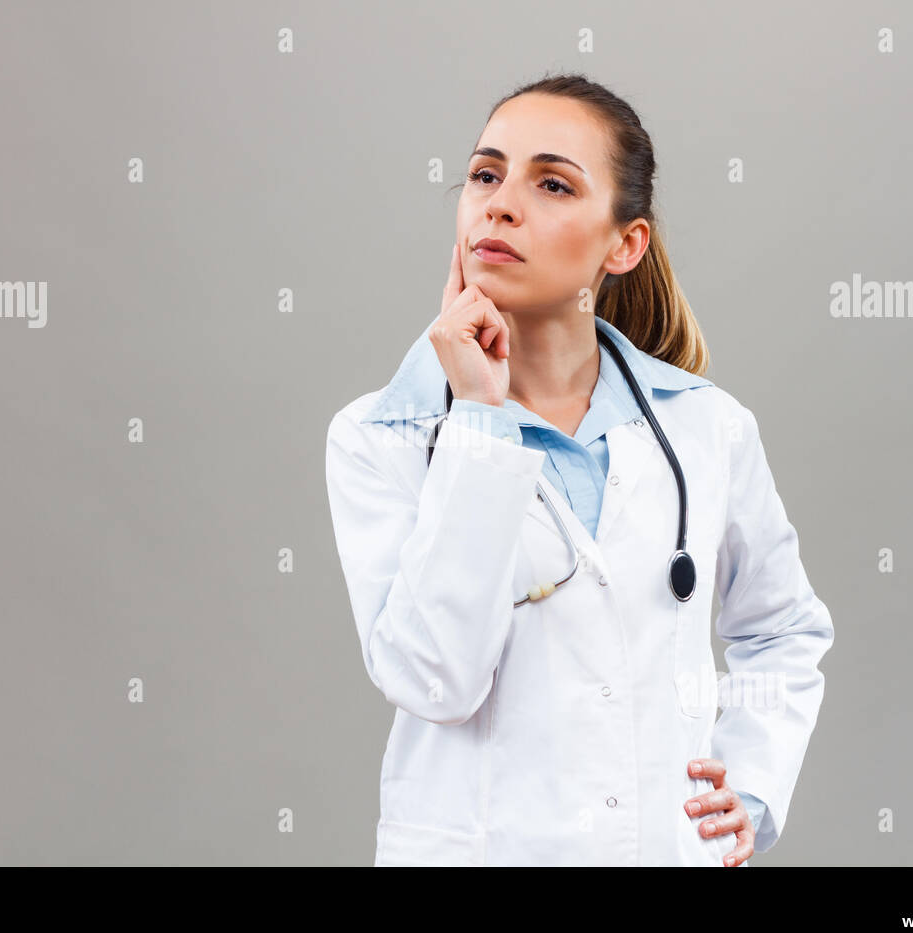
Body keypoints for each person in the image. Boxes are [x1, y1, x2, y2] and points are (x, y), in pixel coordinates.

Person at [324, 73, 834, 866]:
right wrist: (481, 422)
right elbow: (435, 681)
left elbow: (781, 628)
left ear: (624, 244)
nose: (498, 204)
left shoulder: (706, 428)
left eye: (552, 183)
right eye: (486, 175)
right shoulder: (384, 436)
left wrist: (752, 785)